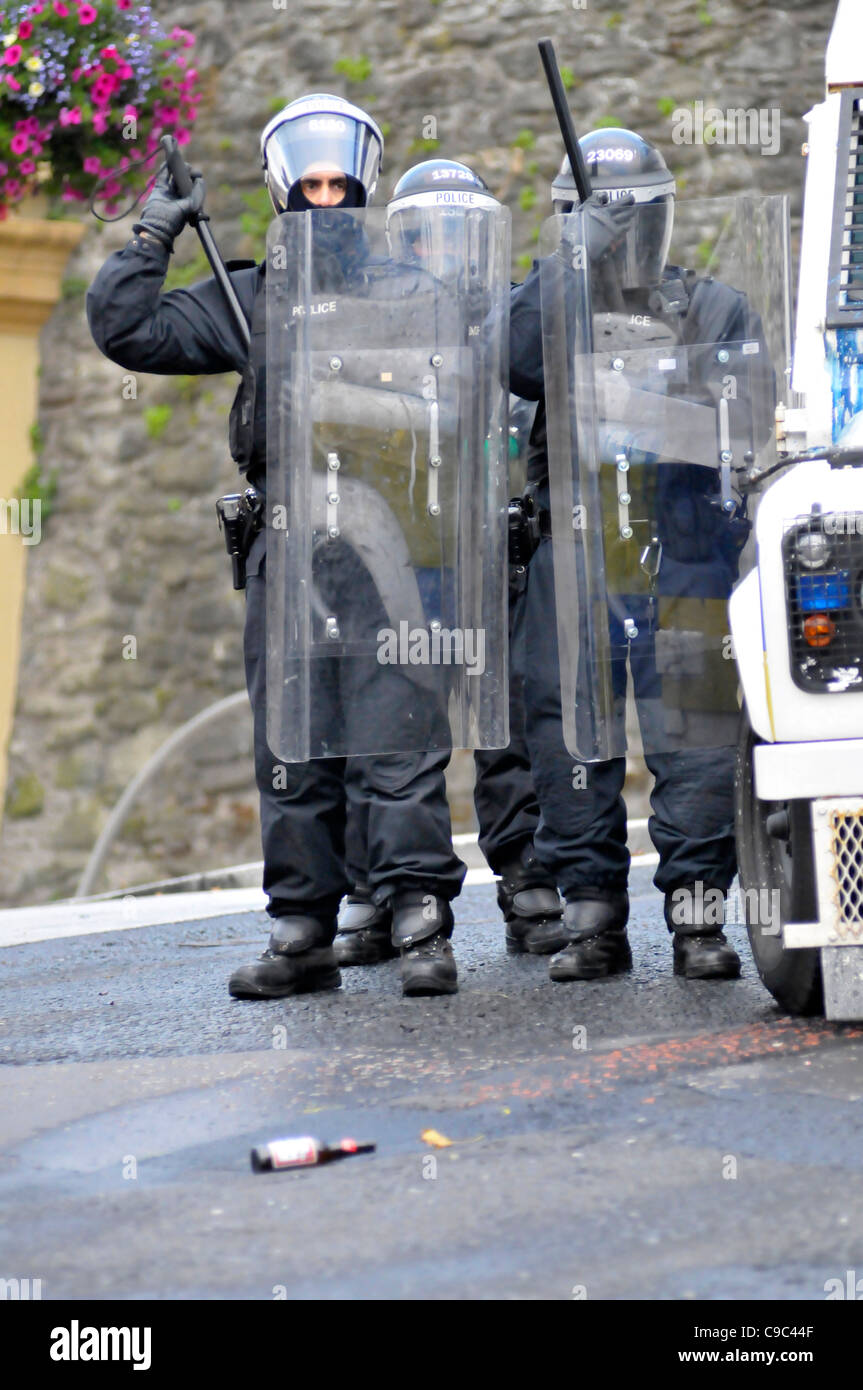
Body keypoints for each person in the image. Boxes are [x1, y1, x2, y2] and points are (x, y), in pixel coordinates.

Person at [86, 94, 467, 999]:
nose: (325, 198)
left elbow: (458, 400)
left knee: (396, 735)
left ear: (361, 184)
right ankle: (303, 929)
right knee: (290, 743)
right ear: (284, 188)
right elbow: (127, 329)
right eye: (311, 184)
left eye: (340, 183)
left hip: (391, 543)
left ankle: (416, 915)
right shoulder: (251, 292)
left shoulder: (410, 296)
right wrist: (152, 235)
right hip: (289, 544)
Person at [509, 128, 774, 983]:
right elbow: (506, 360)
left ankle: (699, 915)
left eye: (624, 224)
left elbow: (745, 420)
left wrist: (636, 407)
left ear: (657, 220)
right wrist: (569, 259)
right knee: (567, 736)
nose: (616, 241)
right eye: (598, 224)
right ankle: (591, 918)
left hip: (684, 543)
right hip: (575, 549)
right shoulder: (548, 306)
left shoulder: (714, 308)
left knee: (694, 736)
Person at [332, 163, 564, 967]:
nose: (439, 248)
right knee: (391, 726)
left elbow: (534, 419)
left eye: (453, 231)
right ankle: (386, 890)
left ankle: (528, 877)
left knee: (511, 729)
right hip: (398, 550)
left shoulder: (513, 319)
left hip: (496, 550)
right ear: (403, 239)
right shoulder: (372, 321)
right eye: (422, 232)